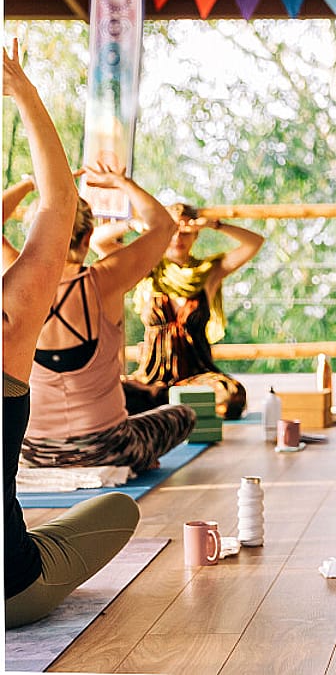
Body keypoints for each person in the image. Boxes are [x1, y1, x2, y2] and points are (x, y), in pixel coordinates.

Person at [3, 40, 140, 629]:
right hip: (12, 594)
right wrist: (24, 96)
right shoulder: (11, 317)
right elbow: (61, 201)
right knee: (115, 510)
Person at [8, 162, 197, 473]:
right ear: (88, 238)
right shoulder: (104, 279)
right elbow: (163, 225)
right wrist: (119, 181)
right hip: (110, 449)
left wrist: (33, 182)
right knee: (183, 414)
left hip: (32, 454)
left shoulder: (18, 279)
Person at [124, 203, 263, 419]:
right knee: (118, 394)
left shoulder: (208, 273)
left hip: (197, 379)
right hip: (150, 378)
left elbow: (254, 243)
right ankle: (174, 401)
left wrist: (214, 225)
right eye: (172, 231)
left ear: (196, 235)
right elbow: (98, 241)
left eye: (185, 232)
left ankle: (168, 402)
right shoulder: (147, 269)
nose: (178, 238)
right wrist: (136, 225)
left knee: (231, 397)